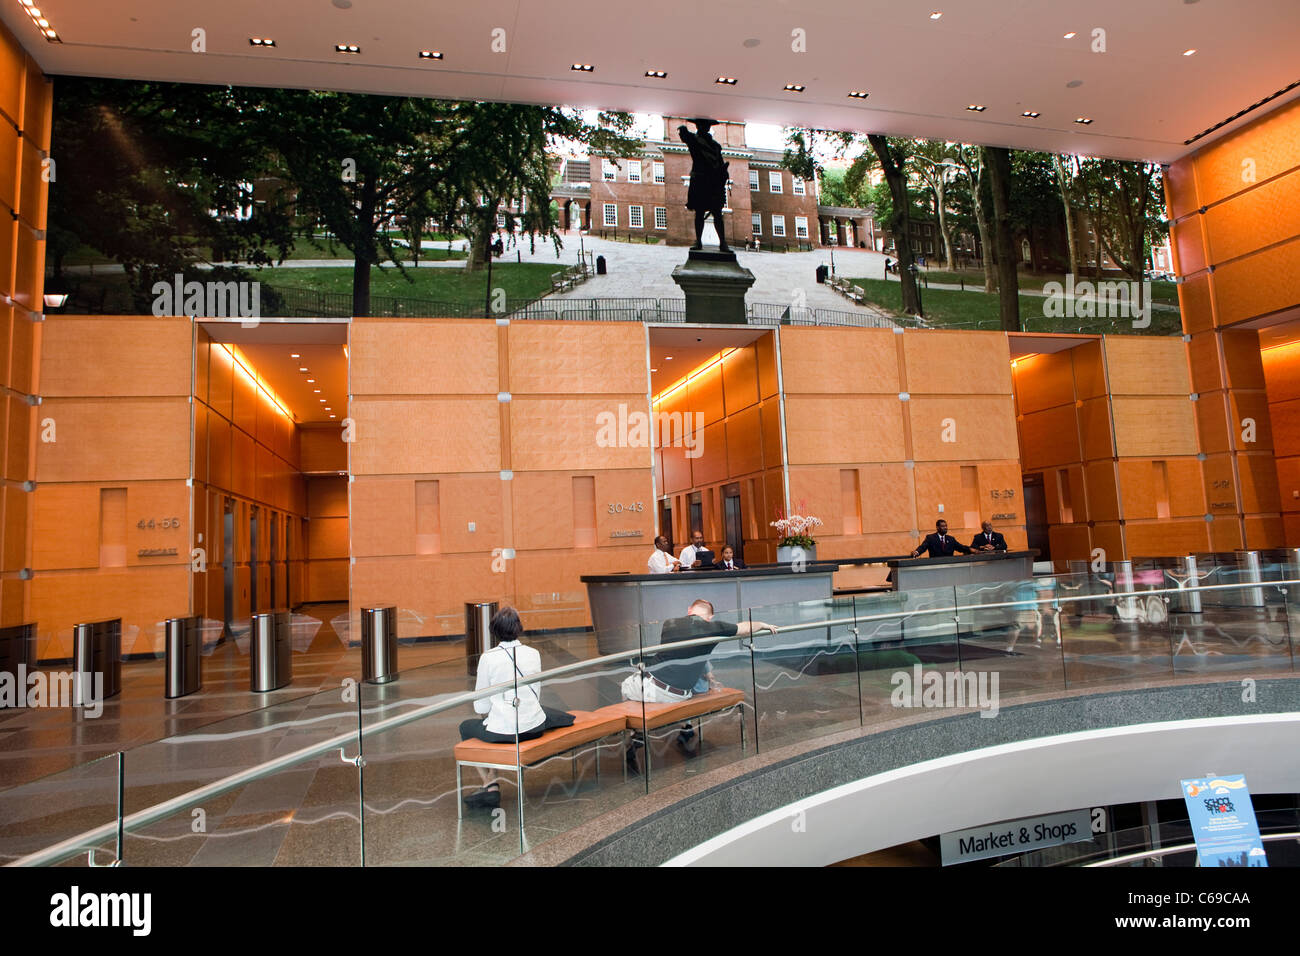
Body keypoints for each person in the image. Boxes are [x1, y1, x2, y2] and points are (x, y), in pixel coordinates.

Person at [621, 599, 778, 766]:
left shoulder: (670, 623)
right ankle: (686, 726)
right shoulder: (713, 628)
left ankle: (636, 732)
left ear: (689, 610)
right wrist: (762, 624)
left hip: (654, 687)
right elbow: (746, 628)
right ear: (710, 617)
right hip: (680, 695)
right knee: (696, 668)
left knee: (625, 685)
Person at [459, 607, 575, 809]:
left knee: (466, 727)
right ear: (519, 628)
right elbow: (535, 694)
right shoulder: (533, 653)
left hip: (503, 731)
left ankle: (490, 783)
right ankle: (491, 782)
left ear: (494, 630)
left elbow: (481, 704)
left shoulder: (488, 657)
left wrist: (494, 711)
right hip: (534, 727)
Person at [677, 119, 730, 252]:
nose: (702, 128)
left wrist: (724, 171)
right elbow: (685, 136)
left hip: (713, 182)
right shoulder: (694, 141)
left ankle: (723, 242)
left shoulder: (716, 146)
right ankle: (698, 241)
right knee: (699, 212)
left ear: (707, 127)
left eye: (704, 126)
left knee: (717, 213)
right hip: (700, 180)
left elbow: (720, 163)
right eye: (700, 125)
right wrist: (682, 128)